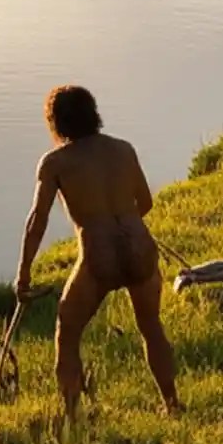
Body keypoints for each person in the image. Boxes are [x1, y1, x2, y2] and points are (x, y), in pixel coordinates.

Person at [15, 85, 183, 423]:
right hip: (139, 247)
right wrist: (122, 221)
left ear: (55, 122)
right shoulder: (123, 149)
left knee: (67, 332)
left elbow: (37, 220)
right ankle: (172, 404)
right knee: (151, 327)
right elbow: (145, 202)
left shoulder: (54, 162)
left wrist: (24, 273)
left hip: (98, 255)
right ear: (93, 114)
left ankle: (73, 418)